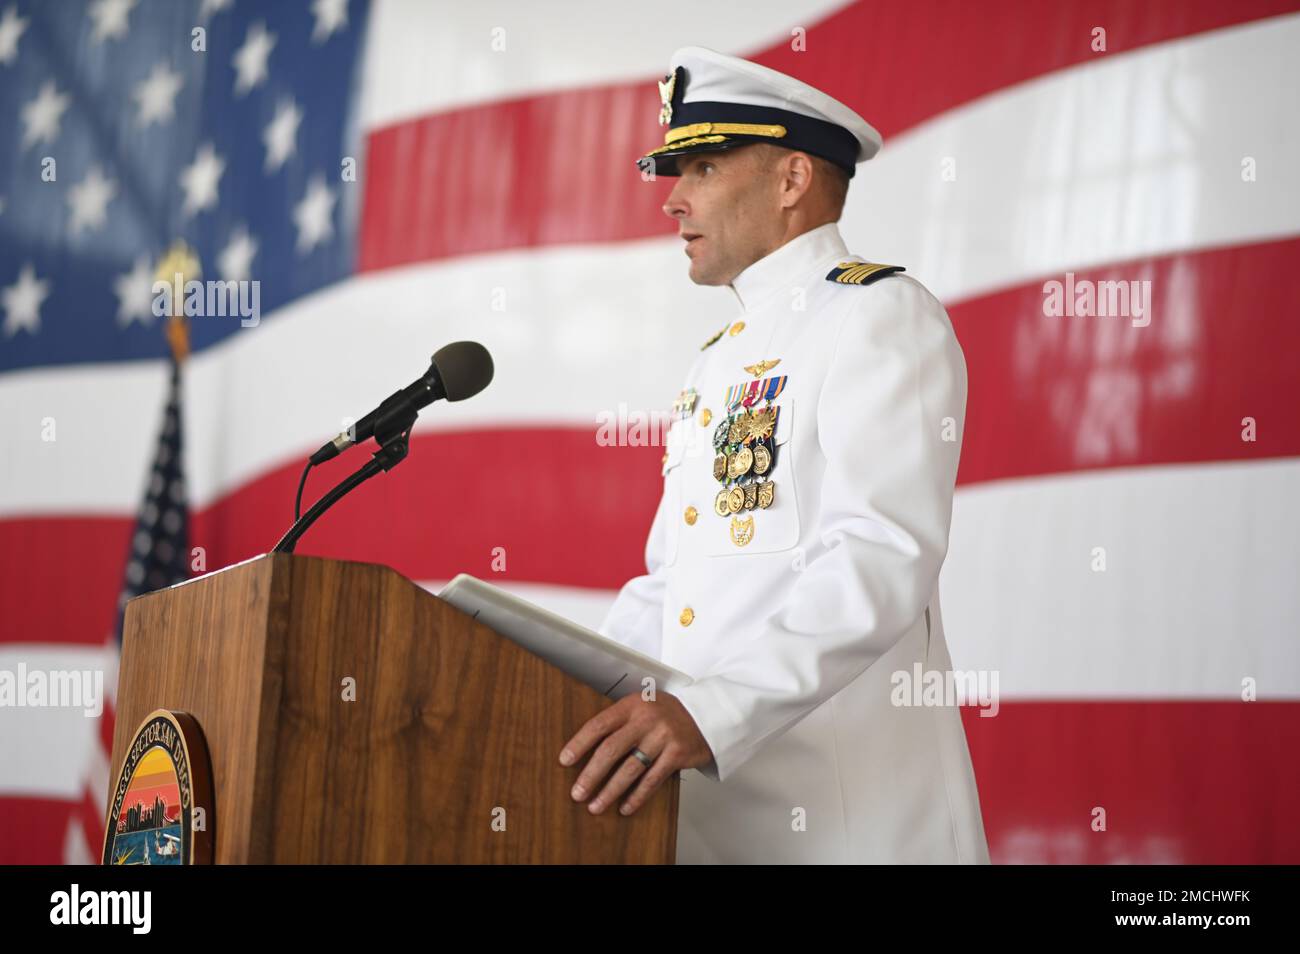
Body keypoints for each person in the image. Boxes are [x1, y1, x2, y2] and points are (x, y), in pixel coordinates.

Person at [557, 45, 990, 864]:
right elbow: (668, 585)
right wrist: (565, 701)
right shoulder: (717, 358)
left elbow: (882, 553)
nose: (673, 200)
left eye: (704, 168)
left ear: (793, 180)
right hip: (707, 817)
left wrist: (709, 713)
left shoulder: (879, 316)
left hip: (849, 826)